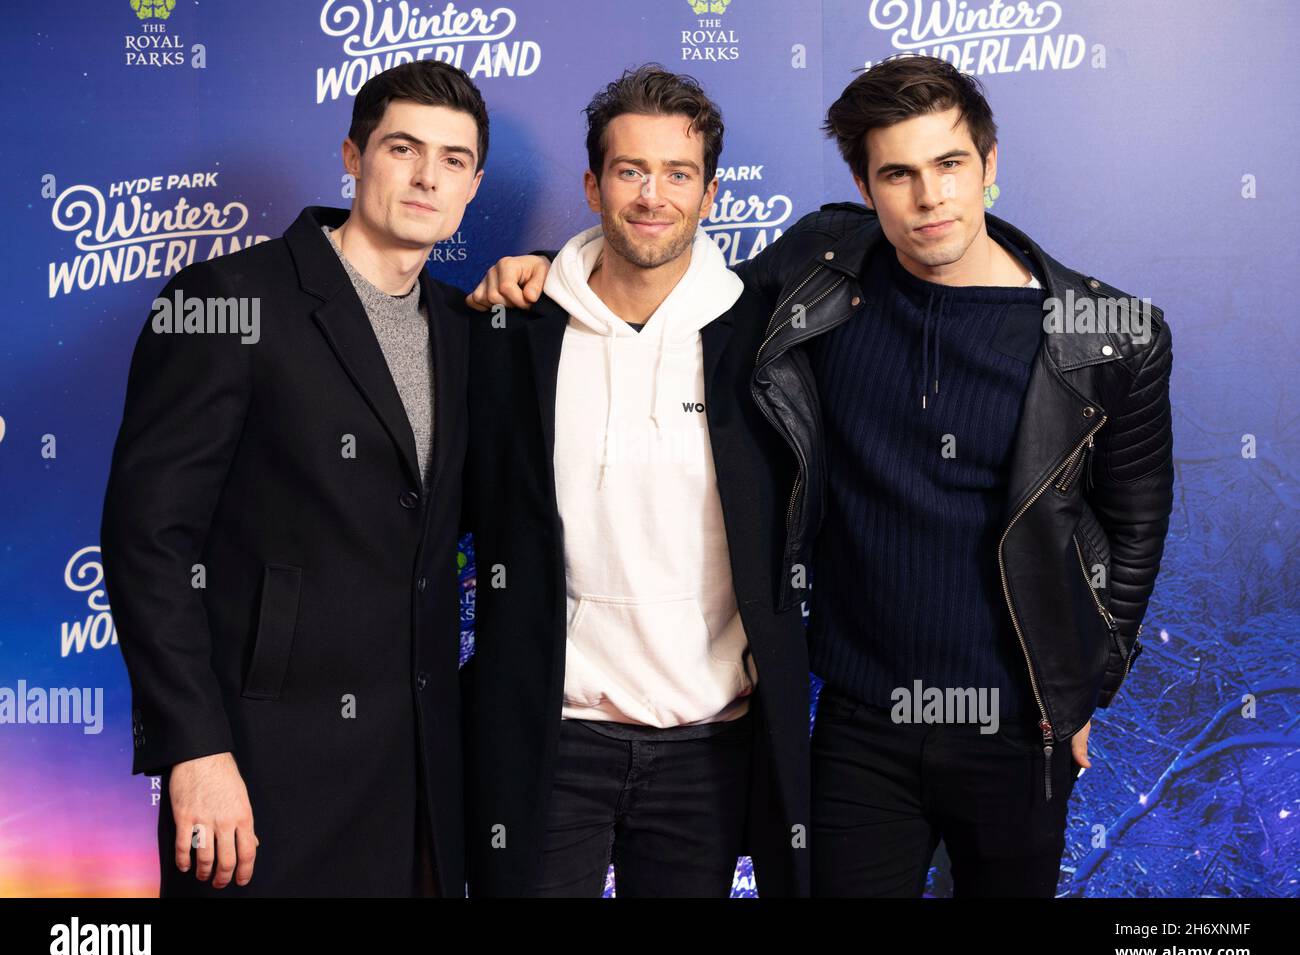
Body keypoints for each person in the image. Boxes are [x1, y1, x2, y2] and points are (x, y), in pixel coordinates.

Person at [471, 55, 1174, 897]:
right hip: (856, 725)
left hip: (1016, 727)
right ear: (864, 184)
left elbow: (1134, 533)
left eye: (950, 166)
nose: (930, 197)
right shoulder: (822, 276)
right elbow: (651, 266)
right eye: (899, 174)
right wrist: (549, 272)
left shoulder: (1107, 337)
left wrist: (1081, 689)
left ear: (989, 166)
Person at [100, 60, 488, 896]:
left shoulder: (467, 329)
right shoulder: (226, 300)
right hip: (260, 766)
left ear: (473, 184)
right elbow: (147, 542)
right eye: (403, 148)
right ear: (353, 155)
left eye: (453, 159)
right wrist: (193, 750)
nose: (427, 175)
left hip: (418, 774)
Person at [459, 65, 809, 897]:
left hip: (709, 746)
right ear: (592, 184)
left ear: (711, 192)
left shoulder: (763, 337)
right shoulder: (516, 327)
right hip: (552, 739)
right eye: (630, 170)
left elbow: (869, 237)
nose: (654, 195)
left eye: (678, 173)